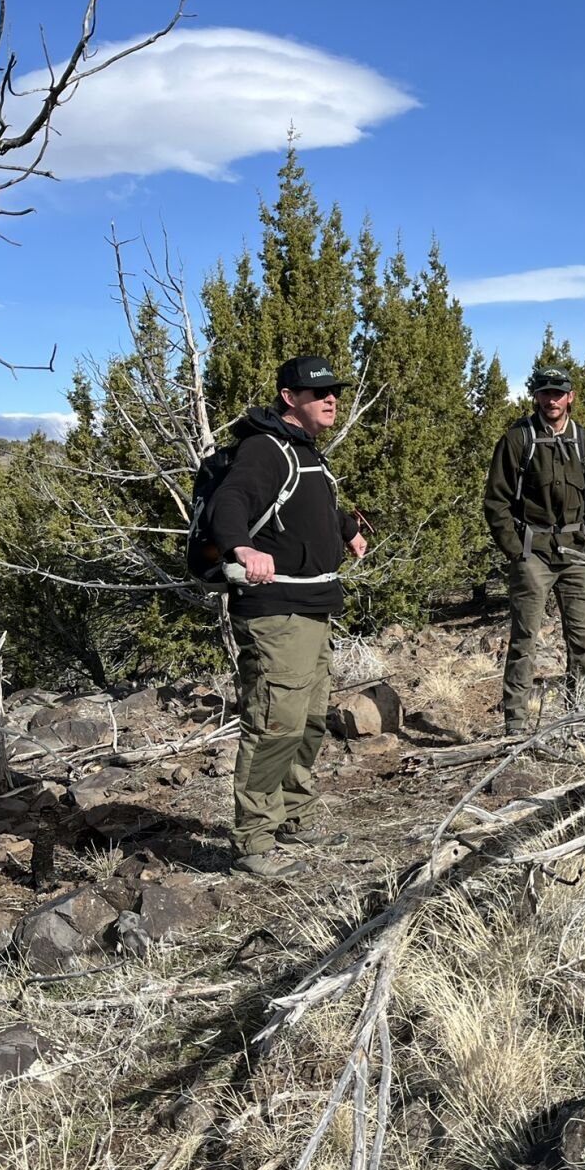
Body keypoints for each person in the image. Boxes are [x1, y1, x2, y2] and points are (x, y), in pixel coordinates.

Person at [209, 355, 367, 876]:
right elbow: (230, 500)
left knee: (311, 721)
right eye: (316, 392)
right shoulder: (266, 448)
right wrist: (240, 547)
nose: (330, 400)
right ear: (288, 397)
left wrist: (346, 528)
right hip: (278, 612)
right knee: (276, 723)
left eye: (334, 393)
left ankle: (292, 815)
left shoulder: (306, 452)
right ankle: (254, 840)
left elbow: (311, 507)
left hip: (314, 607)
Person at [483, 365, 585, 735]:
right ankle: (516, 726)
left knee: (583, 641)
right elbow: (497, 501)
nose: (551, 399)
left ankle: (579, 717)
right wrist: (516, 549)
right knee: (524, 641)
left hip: (577, 554)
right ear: (535, 396)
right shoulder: (517, 440)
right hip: (533, 553)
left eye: (558, 392)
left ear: (570, 396)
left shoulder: (583, 440)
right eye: (545, 392)